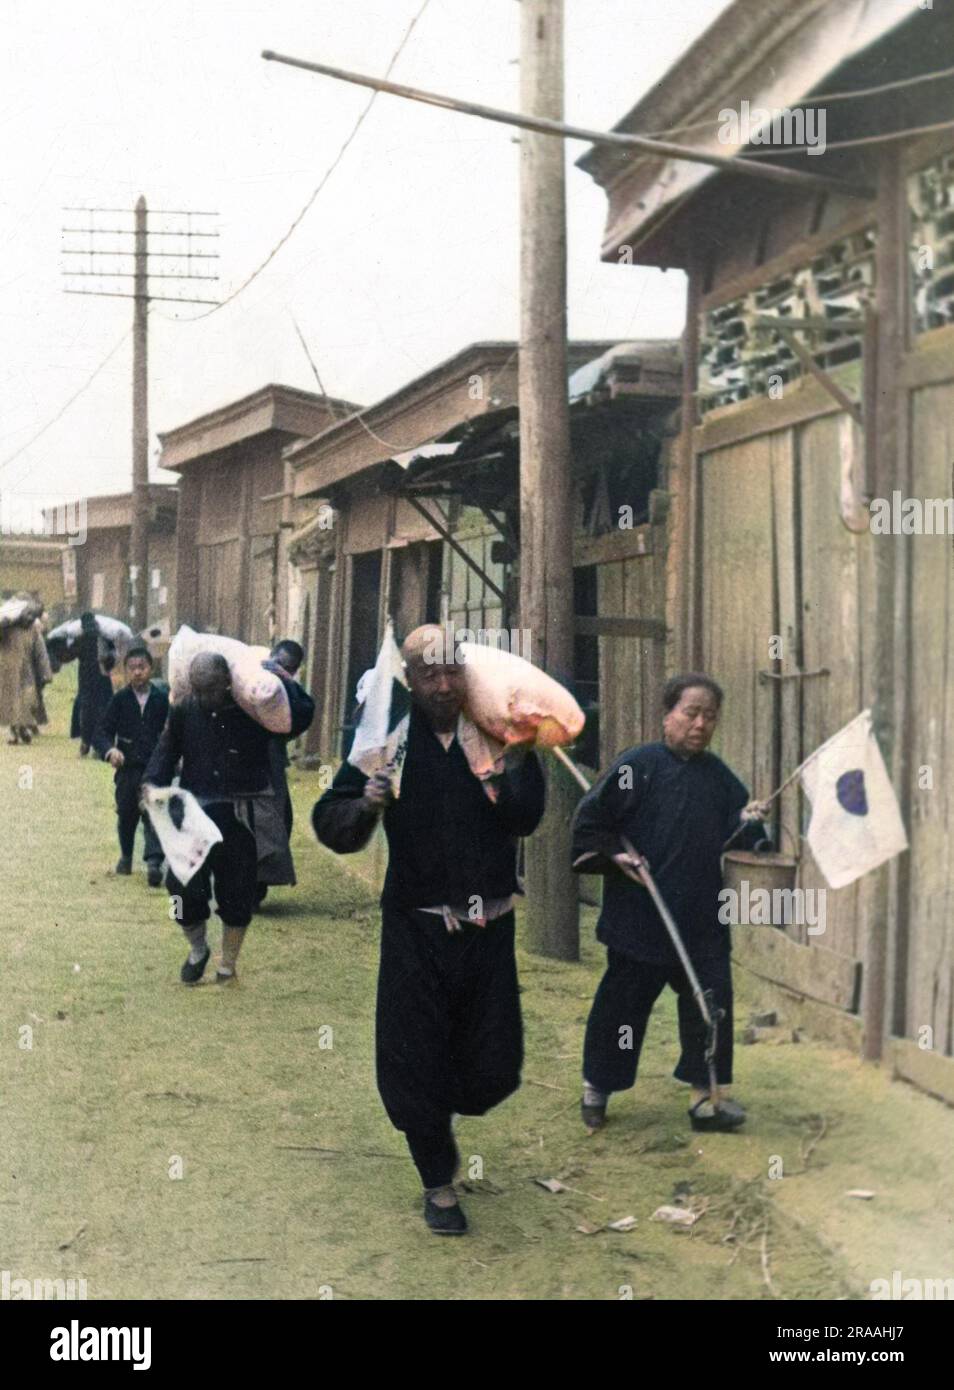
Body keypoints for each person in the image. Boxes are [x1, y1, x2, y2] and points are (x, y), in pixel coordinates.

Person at [313, 624, 545, 1236]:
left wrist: (499, 777)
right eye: (428, 673)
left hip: (488, 929)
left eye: (451, 671)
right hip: (416, 927)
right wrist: (367, 802)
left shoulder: (497, 733)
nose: (442, 684)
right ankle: (437, 1181)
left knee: (494, 1067)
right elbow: (330, 822)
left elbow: (530, 816)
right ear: (410, 680)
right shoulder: (387, 741)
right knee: (417, 1065)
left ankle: (453, 1110)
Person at [571, 673, 769, 1136]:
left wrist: (750, 822)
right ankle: (598, 1086)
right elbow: (590, 824)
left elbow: (740, 836)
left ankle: (705, 1094)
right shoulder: (636, 766)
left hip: (701, 917)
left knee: (710, 1001)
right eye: (691, 713)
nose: (701, 724)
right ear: (667, 716)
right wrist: (615, 856)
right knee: (623, 1008)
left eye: (710, 716)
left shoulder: (718, 778)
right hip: (642, 914)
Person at [142, 651, 276, 984]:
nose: (206, 697)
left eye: (212, 689)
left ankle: (228, 963)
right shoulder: (185, 710)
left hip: (237, 814)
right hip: (194, 814)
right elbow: (166, 750)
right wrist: (150, 784)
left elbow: (292, 722)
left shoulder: (250, 711)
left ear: (227, 682)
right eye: (199, 689)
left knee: (239, 889)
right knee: (179, 888)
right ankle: (197, 948)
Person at [93, 645, 169, 884]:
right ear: (126, 671)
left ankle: (154, 862)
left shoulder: (161, 699)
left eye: (142, 667)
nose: (138, 672)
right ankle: (126, 855)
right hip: (127, 769)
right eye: (133, 668)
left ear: (151, 668)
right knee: (127, 813)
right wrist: (110, 750)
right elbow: (101, 732)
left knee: (154, 813)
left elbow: (172, 732)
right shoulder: (120, 700)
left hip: (154, 768)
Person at [253, 639, 316, 906]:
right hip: (241, 762)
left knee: (280, 821)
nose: (281, 669)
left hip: (271, 762)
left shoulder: (289, 690)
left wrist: (287, 682)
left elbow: (305, 712)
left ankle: (259, 883)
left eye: (289, 667)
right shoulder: (252, 677)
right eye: (279, 662)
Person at [0, 598, 44, 744]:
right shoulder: (30, 628)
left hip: (10, 669)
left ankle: (16, 730)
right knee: (24, 700)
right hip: (24, 667)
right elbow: (38, 649)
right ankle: (22, 728)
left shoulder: (7, 628)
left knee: (13, 701)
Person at [76, 612, 115, 757]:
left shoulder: (80, 637)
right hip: (102, 677)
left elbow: (75, 653)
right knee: (103, 710)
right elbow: (112, 655)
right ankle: (100, 745)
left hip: (86, 679)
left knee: (86, 711)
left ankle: (85, 742)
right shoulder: (104, 636)